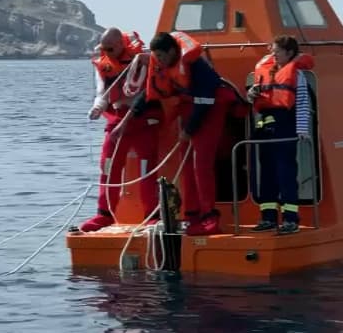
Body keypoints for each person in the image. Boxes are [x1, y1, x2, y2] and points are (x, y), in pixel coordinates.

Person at [123, 31, 238, 236]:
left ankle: (209, 216)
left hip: (210, 109)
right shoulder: (162, 66)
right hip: (190, 108)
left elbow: (205, 101)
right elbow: (149, 93)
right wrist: (129, 117)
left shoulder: (196, 66)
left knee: (201, 163)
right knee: (187, 166)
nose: (159, 60)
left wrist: (189, 130)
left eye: (162, 55)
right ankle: (192, 214)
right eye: (156, 56)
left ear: (173, 51)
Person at [79, 27, 162, 232]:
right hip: (116, 119)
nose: (106, 52)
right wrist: (97, 108)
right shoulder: (103, 64)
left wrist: (149, 61)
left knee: (146, 169)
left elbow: (148, 87)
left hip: (142, 120)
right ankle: (104, 214)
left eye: (110, 48)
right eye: (104, 48)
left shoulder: (142, 60)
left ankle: (152, 214)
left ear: (120, 45)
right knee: (108, 167)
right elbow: (102, 92)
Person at [246, 35, 314, 234]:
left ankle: (290, 219)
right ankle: (268, 217)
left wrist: (302, 130)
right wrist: (253, 94)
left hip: (286, 129)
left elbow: (302, 103)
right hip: (265, 129)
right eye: (272, 52)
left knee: (286, 173)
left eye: (277, 52)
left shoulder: (297, 76)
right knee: (266, 173)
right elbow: (254, 101)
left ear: (289, 53)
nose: (273, 55)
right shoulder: (266, 72)